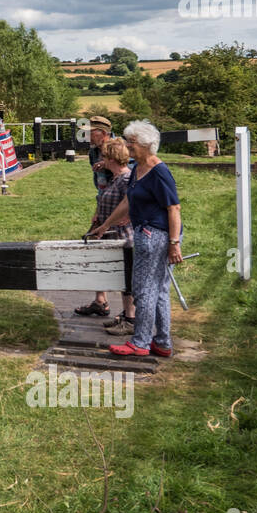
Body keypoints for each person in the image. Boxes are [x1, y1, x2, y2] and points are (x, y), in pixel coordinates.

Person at [90, 120, 182, 357]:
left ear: (146, 144)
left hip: (155, 235)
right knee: (159, 289)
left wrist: (174, 243)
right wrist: (105, 226)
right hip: (145, 232)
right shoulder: (138, 169)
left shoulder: (158, 171)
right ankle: (162, 342)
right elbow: (128, 202)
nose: (128, 146)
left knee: (144, 289)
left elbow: (174, 208)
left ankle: (140, 342)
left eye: (132, 142)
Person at [81, 138, 136, 334]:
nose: (102, 159)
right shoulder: (114, 178)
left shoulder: (126, 178)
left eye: (105, 156)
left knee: (126, 277)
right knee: (118, 275)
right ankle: (125, 314)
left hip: (122, 236)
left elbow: (131, 203)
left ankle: (131, 318)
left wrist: (112, 222)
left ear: (112, 158)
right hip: (110, 233)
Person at [75, 115, 116, 317]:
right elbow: (101, 185)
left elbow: (128, 177)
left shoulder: (119, 149)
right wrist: (98, 212)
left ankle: (130, 313)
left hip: (122, 210)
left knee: (124, 255)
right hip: (104, 205)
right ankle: (101, 301)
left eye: (91, 132)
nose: (87, 135)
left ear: (103, 134)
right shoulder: (93, 152)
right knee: (97, 249)